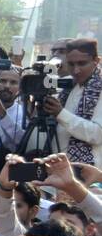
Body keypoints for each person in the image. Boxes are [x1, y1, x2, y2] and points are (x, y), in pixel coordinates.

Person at [39, 38, 102, 167]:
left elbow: (96, 134)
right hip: (55, 168)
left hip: (87, 174)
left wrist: (60, 113)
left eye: (82, 63)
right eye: (71, 64)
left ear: (96, 61)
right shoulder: (66, 84)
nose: (76, 70)